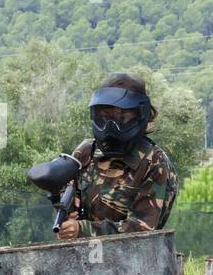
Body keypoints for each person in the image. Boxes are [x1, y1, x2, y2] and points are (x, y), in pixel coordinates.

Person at [56, 73, 178, 240]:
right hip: (85, 257)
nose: (110, 126)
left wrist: (81, 229)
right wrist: (68, 214)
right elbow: (68, 193)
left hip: (136, 261)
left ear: (141, 115)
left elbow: (143, 229)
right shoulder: (85, 152)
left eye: (121, 117)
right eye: (105, 117)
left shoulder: (154, 163)